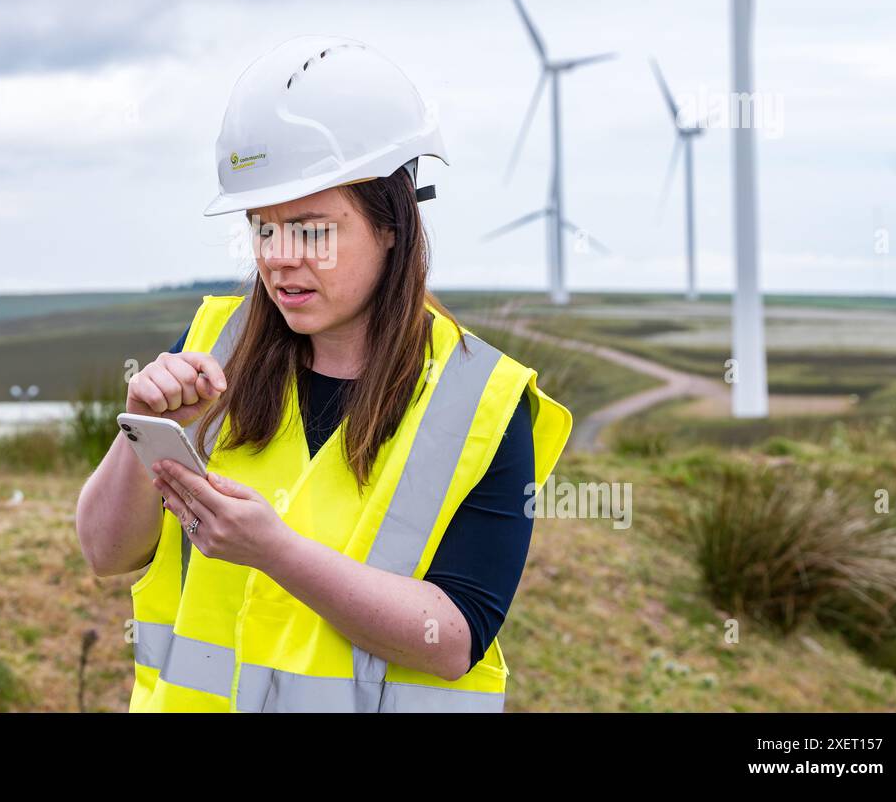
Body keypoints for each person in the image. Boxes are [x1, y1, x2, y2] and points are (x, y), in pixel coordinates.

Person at [76, 35, 572, 712]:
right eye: (261, 227)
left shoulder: (479, 400)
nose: (278, 257)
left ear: (391, 223)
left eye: (311, 230)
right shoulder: (211, 347)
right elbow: (106, 552)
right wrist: (145, 435)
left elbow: (452, 639)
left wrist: (276, 552)